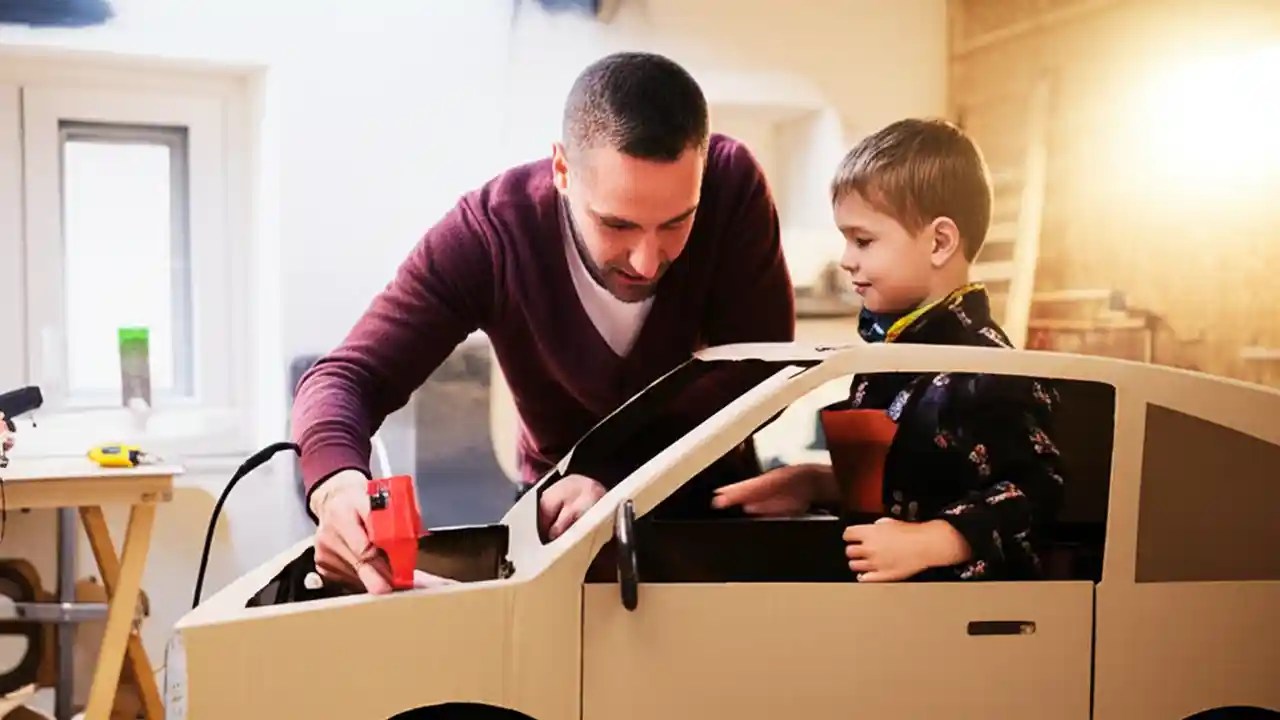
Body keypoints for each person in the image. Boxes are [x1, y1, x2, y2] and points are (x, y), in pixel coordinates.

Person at [293, 51, 795, 594]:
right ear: (561, 169)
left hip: (707, 521)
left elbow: (757, 373)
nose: (647, 261)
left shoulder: (734, 187)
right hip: (557, 529)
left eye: (677, 222)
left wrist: (614, 474)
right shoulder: (492, 234)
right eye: (616, 224)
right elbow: (345, 377)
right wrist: (337, 485)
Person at [712, 118, 1066, 582]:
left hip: (960, 627)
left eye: (863, 240)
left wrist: (933, 540)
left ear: (939, 242)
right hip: (887, 616)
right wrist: (818, 483)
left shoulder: (986, 369)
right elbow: (912, 480)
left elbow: (1038, 490)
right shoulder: (892, 357)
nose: (846, 258)